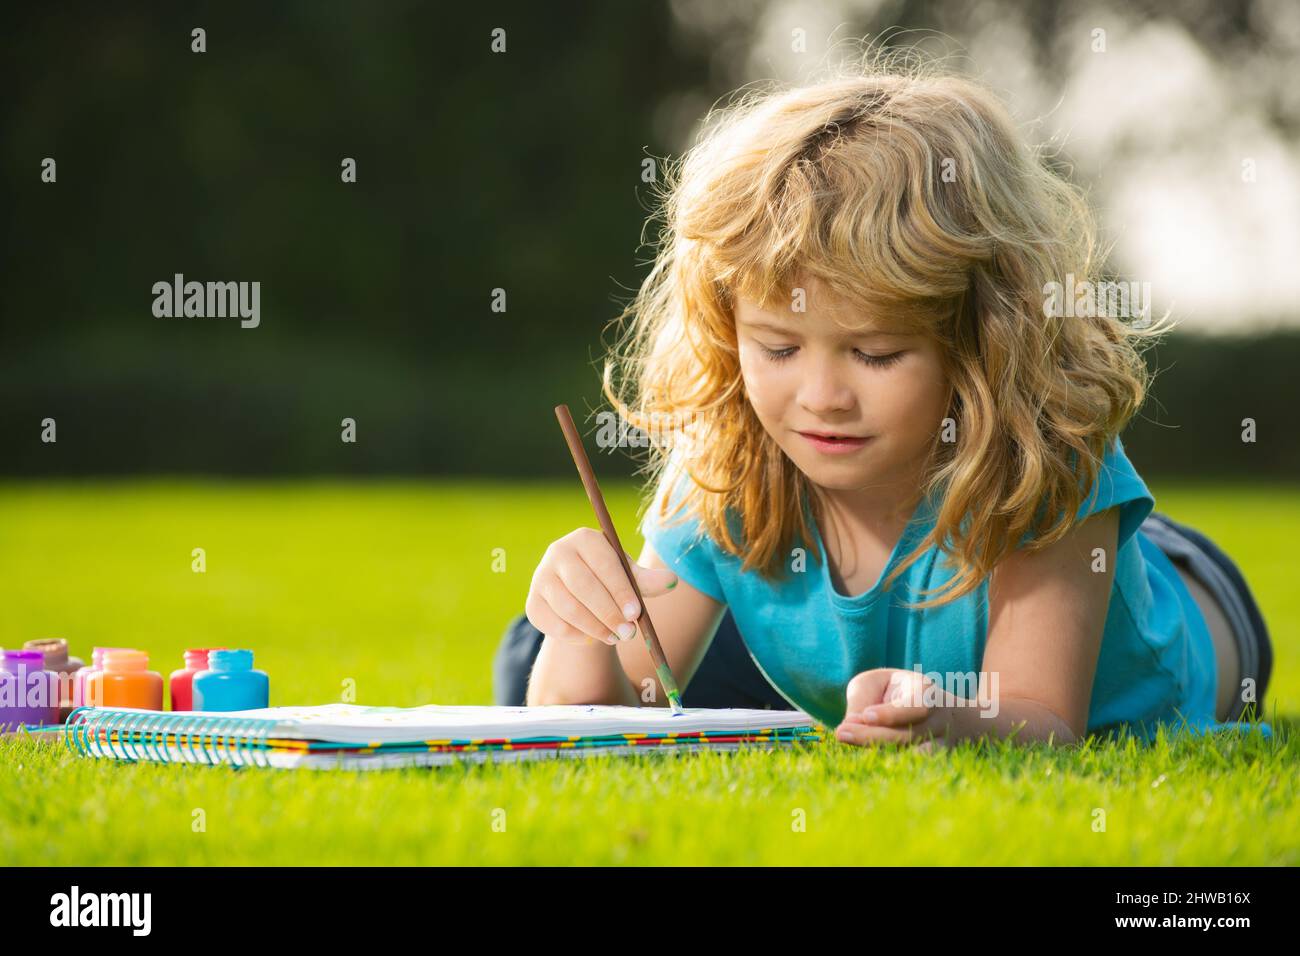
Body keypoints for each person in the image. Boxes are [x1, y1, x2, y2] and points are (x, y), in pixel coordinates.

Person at [495, 56, 1273, 748]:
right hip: (882, 643)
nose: (823, 398)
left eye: (874, 353)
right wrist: (578, 631)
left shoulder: (1042, 463)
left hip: (1193, 603)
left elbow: (1043, 713)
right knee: (523, 658)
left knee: (1176, 602)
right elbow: (607, 711)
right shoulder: (726, 468)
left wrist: (950, 720)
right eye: (778, 349)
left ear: (979, 339)